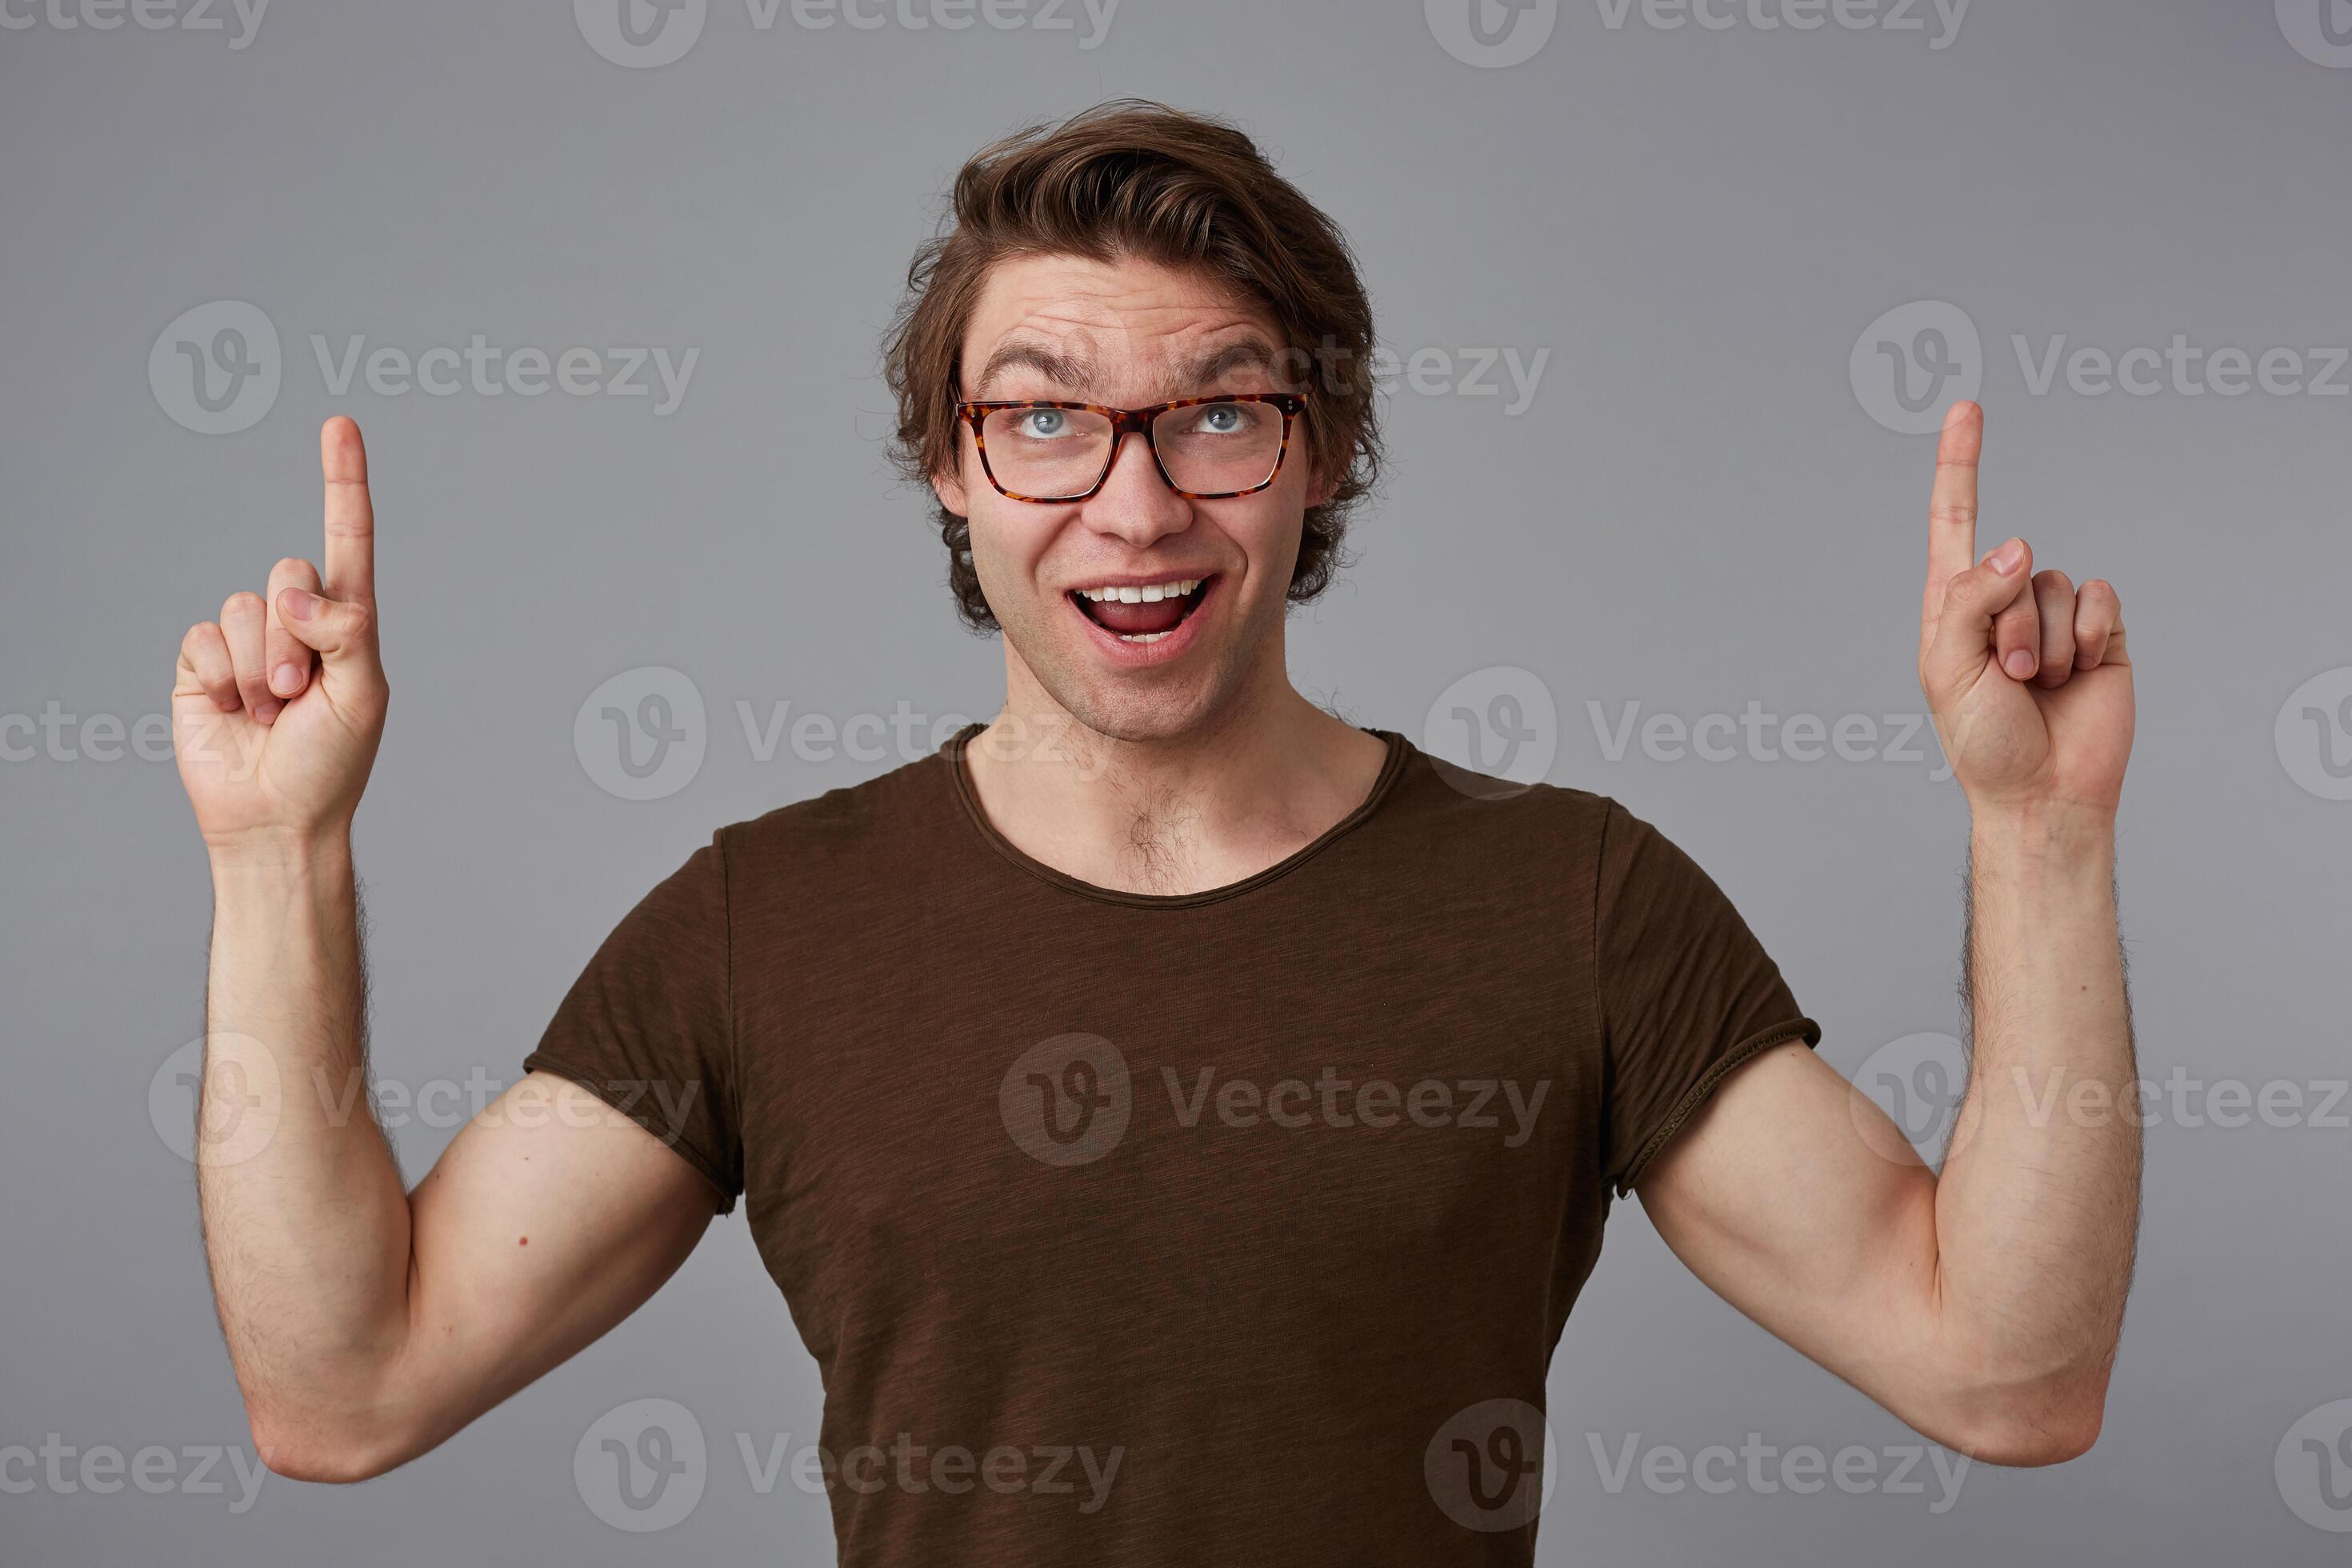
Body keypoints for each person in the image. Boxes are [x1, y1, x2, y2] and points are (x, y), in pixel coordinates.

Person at [169, 100, 2138, 1563]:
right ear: (949, 466)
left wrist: (2038, 831)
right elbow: (346, 1388)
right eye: (1041, 417)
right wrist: (276, 859)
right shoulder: (765, 924)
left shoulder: (1573, 901)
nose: (1133, 504)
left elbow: (2006, 1369)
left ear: (1323, 447)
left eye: (1217, 412)